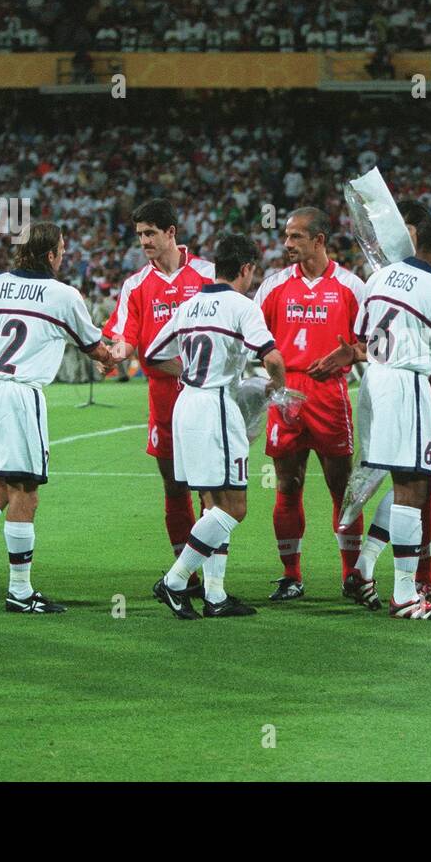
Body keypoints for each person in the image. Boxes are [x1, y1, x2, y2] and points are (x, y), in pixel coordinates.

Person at [0, 223, 116, 614]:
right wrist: (113, 358)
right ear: (52, 255)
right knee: (26, 492)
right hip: (19, 394)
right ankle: (20, 592)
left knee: (2, 486)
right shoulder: (63, 295)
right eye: (61, 250)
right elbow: (93, 347)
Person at [315, 214, 431, 619]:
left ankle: (364, 568)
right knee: (414, 485)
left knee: (408, 479)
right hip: (406, 385)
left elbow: (363, 338)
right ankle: (405, 593)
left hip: (374, 382)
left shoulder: (380, 277)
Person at [145, 236, 286, 619]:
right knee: (234, 507)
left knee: (213, 503)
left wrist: (191, 372)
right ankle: (174, 581)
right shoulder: (242, 306)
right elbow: (271, 357)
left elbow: (153, 354)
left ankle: (215, 594)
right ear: (246, 269)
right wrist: (280, 389)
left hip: (186, 404)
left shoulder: (189, 305)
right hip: (216, 407)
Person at [256, 207, 367, 602]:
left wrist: (351, 354)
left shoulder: (352, 288)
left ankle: (352, 576)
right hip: (286, 394)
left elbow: (378, 344)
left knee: (343, 488)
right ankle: (291, 576)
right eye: (286, 236)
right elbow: (254, 339)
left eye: (296, 237)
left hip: (330, 394)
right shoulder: (272, 287)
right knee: (288, 484)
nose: (287, 244)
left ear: (319, 240)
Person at [104, 199, 215, 583]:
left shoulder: (206, 275)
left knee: (210, 488)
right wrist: (113, 354)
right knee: (174, 485)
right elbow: (125, 338)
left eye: (150, 233)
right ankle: (187, 576)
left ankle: (209, 576)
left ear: (171, 232)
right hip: (163, 399)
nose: (144, 241)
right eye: (139, 235)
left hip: (204, 396)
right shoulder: (135, 285)